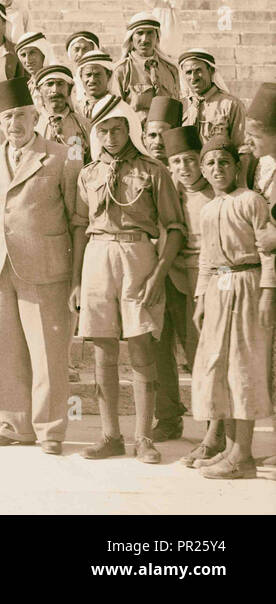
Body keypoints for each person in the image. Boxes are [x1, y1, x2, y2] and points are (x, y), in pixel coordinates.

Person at [73, 95, 187, 464]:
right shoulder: (87, 173)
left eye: (117, 129)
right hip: (97, 254)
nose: (110, 136)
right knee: (103, 349)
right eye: (102, 130)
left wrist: (159, 272)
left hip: (138, 254)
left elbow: (173, 227)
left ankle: (143, 438)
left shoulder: (153, 171)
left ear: (129, 129)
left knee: (141, 346)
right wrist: (76, 280)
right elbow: (79, 227)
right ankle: (111, 436)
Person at [0, 77, 80, 455]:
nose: (14, 124)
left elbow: (76, 218)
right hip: (1, 266)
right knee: (3, 350)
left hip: (46, 265)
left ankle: (50, 430)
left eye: (21, 116)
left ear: (35, 116)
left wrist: (76, 276)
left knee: (48, 352)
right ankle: (13, 423)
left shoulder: (60, 155)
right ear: (0, 122)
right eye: (7, 118)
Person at [188, 138, 275, 478]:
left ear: (237, 167)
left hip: (247, 285)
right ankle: (226, 448)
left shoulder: (251, 201)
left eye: (224, 163)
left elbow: (267, 251)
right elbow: (207, 260)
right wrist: (200, 299)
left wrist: (268, 292)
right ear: (203, 170)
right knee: (218, 367)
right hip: (218, 291)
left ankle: (243, 456)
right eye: (210, 164)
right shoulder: (208, 209)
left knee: (243, 367)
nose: (217, 169)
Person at [155, 125, 216, 450]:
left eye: (190, 160)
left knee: (199, 351)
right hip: (169, 274)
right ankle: (167, 416)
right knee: (161, 346)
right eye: (177, 162)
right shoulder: (169, 188)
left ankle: (211, 424)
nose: (184, 168)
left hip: (201, 280)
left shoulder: (215, 192)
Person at [113, 13, 180, 120]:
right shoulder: (121, 70)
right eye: (139, 33)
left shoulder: (171, 69)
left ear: (157, 37)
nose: (145, 39)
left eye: (150, 33)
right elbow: (117, 112)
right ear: (131, 38)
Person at [178, 48, 245, 148]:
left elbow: (241, 146)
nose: (194, 78)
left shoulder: (231, 105)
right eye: (188, 72)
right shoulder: (180, 106)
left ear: (211, 71)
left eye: (198, 70)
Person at [34, 64, 91, 163]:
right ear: (40, 90)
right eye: (49, 84)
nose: (55, 90)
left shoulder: (83, 124)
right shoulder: (33, 124)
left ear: (69, 89)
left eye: (60, 84)